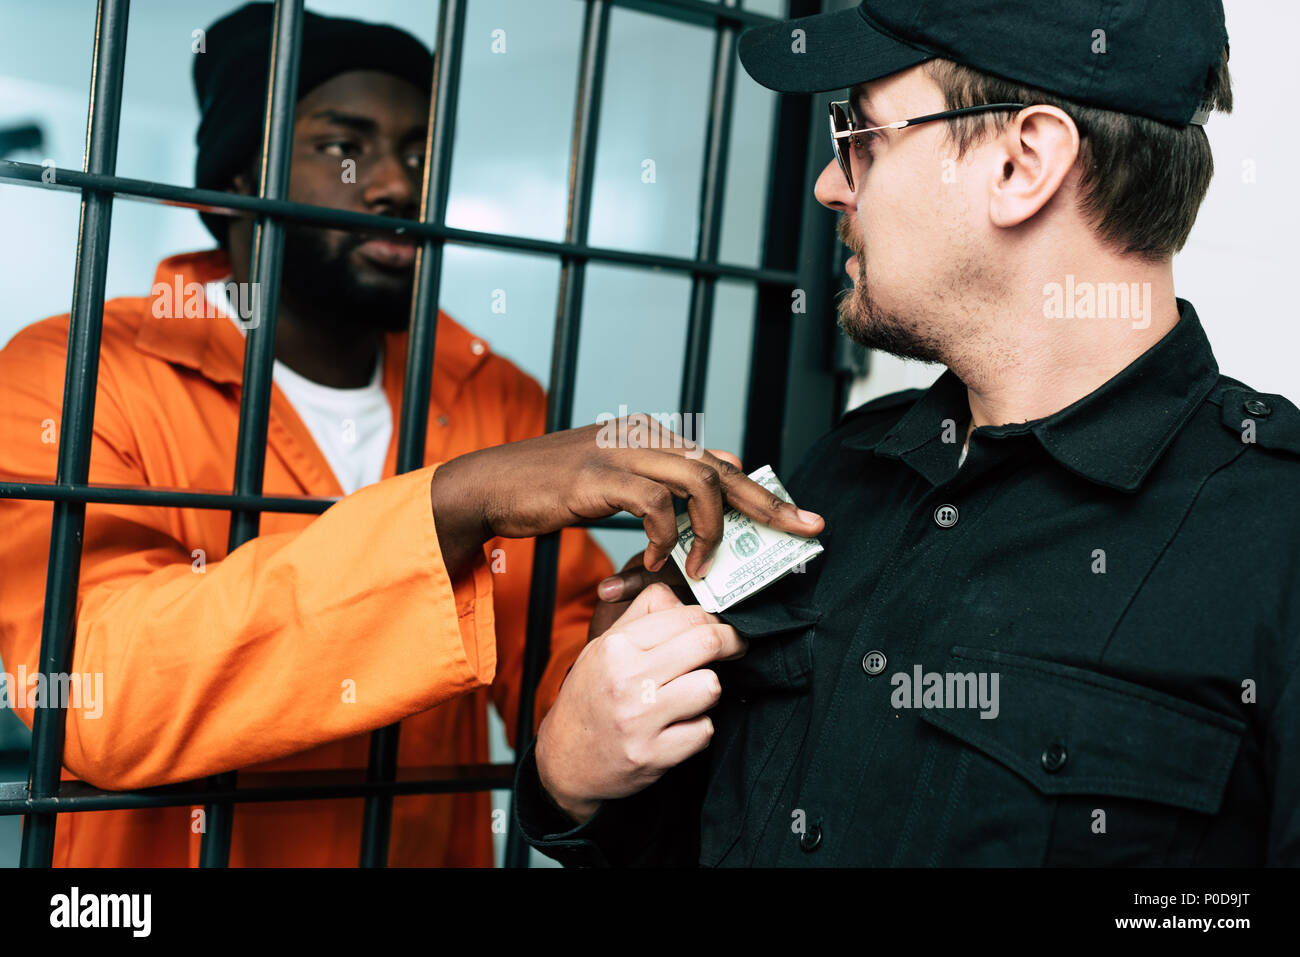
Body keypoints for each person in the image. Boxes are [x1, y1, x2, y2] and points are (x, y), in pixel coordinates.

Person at [0, 4, 821, 866]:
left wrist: (638, 637)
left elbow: (550, 656)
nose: (395, 182)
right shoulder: (75, 375)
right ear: (240, 177)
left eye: (420, 151)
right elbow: (97, 695)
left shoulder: (490, 391)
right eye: (343, 146)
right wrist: (456, 501)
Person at [516, 0, 1300, 866]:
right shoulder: (843, 470)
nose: (829, 182)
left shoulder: (1279, 545)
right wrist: (573, 775)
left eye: (860, 132)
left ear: (1021, 162)